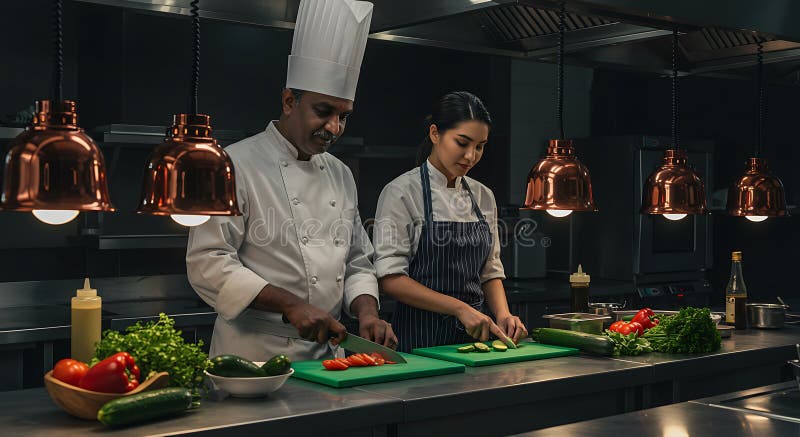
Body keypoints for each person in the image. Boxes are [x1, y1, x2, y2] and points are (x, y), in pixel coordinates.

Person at [186, 0, 396, 362]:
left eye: (343, 116)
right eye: (323, 111)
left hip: (329, 356)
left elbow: (357, 260)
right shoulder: (233, 163)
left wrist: (367, 312)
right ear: (288, 100)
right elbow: (208, 262)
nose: (334, 128)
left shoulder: (341, 173)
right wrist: (290, 304)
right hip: (253, 355)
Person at [373, 91, 527, 352]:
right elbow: (391, 279)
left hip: (476, 341)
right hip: (419, 342)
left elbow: (490, 270)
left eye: (479, 147)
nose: (471, 156)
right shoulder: (400, 192)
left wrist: (503, 315)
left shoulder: (483, 196)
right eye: (462, 143)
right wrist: (459, 308)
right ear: (435, 134)